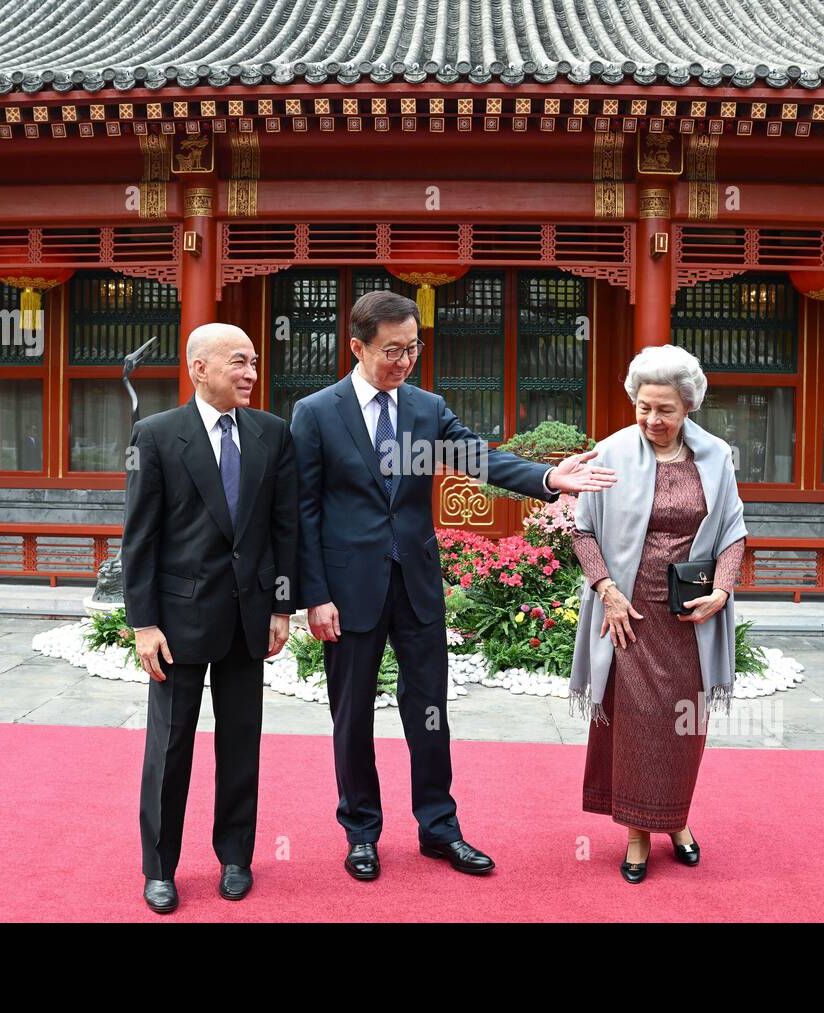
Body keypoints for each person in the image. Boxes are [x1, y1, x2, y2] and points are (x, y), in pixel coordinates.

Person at [292, 289, 617, 881]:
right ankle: (361, 832)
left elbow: (479, 457)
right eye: (391, 350)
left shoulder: (423, 408)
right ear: (357, 347)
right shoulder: (316, 412)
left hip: (416, 586)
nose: (404, 361)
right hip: (348, 591)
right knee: (352, 716)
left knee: (431, 712)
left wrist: (549, 476)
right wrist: (314, 595)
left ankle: (440, 828)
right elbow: (304, 511)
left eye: (413, 348)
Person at [122, 323, 297, 912]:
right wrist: (143, 623)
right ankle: (160, 867)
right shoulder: (156, 435)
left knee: (241, 743)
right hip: (178, 622)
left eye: (253, 362)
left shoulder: (272, 433)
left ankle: (236, 857)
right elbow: (139, 540)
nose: (251, 373)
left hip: (250, 619)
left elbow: (283, 528)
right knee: (170, 748)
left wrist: (281, 604)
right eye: (238, 362)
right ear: (199, 368)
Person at [568, 344, 747, 884]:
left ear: (688, 405)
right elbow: (582, 529)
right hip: (627, 616)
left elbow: (734, 532)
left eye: (665, 409)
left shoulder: (715, 455)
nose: (652, 419)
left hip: (690, 615)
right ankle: (637, 836)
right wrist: (606, 589)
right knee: (637, 726)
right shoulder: (611, 453)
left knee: (685, 725)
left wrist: (721, 590)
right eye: (644, 406)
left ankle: (679, 822)